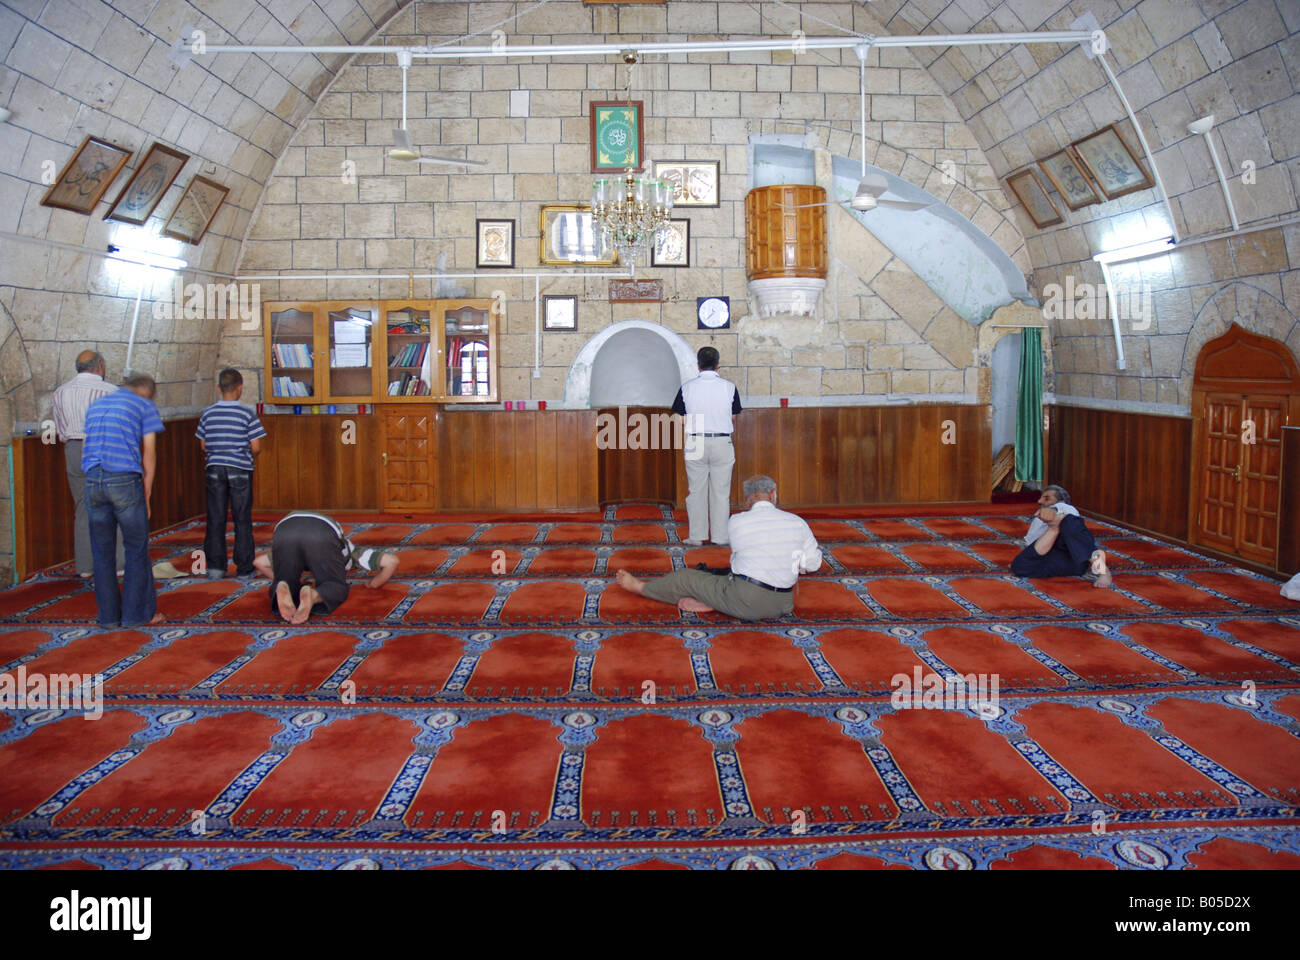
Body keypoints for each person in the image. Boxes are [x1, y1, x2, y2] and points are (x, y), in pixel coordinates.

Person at [616, 475, 820, 620]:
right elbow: (813, 563)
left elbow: (739, 563)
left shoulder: (738, 521)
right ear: (774, 494)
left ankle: (640, 587)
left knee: (687, 577)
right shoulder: (797, 522)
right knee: (730, 575)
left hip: (747, 600)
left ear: (747, 499)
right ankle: (716, 602)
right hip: (784, 603)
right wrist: (797, 563)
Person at [81, 373, 165, 627]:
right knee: (136, 548)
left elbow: (87, 444)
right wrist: (147, 493)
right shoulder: (144, 406)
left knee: (102, 552)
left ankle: (107, 618)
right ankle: (136, 616)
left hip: (93, 479)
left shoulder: (97, 405)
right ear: (147, 392)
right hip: (124, 480)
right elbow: (148, 452)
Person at [253, 511, 401, 624]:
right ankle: (313, 595)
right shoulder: (353, 552)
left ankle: (283, 585)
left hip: (285, 529)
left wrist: (278, 577)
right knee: (334, 584)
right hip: (322, 531)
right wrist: (373, 583)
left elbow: (259, 563)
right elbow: (392, 561)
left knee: (285, 578)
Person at [51, 350, 123, 577]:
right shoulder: (111, 391)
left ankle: (84, 567)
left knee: (83, 507)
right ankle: (119, 565)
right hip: (103, 447)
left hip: (73, 449)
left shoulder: (60, 393)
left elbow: (60, 429)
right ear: (100, 366)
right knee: (116, 504)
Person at [197, 368, 266, 579]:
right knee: (242, 518)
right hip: (240, 470)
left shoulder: (208, 413)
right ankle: (245, 568)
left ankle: (216, 568)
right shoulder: (247, 413)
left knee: (215, 518)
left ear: (219, 388)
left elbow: (203, 445)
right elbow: (256, 446)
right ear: (240, 388)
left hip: (214, 470)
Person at [671, 346, 741, 546]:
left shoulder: (687, 387)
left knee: (696, 491)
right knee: (721, 492)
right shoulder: (729, 387)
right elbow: (733, 416)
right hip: (722, 441)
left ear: (698, 366)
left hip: (696, 441)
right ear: (718, 365)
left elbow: (679, 418)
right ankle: (720, 537)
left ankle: (697, 536)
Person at [1011, 484, 1112, 588]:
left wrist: (1053, 511)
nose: (1040, 501)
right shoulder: (1038, 519)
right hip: (1057, 559)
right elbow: (1032, 548)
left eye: (1047, 498)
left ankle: (1103, 570)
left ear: (1062, 502)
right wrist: (1052, 528)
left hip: (1074, 554)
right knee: (1019, 566)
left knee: (1069, 521)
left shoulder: (1067, 509)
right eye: (1041, 498)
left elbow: (1065, 511)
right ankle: (1054, 528)